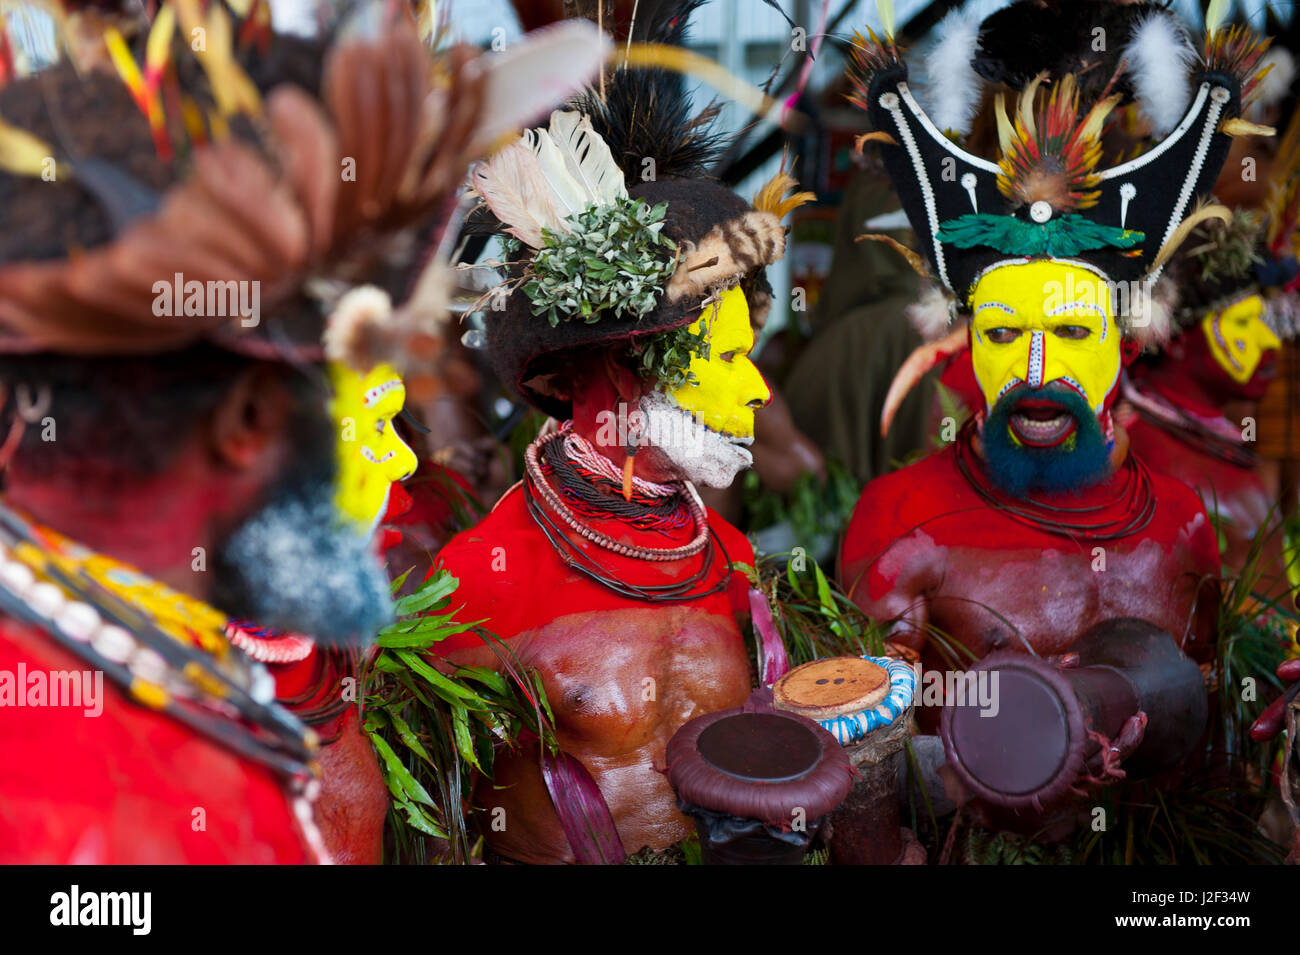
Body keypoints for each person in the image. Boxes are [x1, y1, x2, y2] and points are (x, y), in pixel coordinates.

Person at [837, 5, 1271, 818]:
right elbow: (860, 777)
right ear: (965, 345)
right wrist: (989, 772)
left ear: (1127, 345)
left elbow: (1211, 745)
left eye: (1073, 330)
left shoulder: (1180, 522)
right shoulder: (899, 518)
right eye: (1005, 332)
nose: (1038, 371)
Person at [429, 4, 806, 863]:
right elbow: (434, 831)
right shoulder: (477, 586)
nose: (755, 387)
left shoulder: (732, 557)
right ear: (626, 367)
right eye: (729, 356)